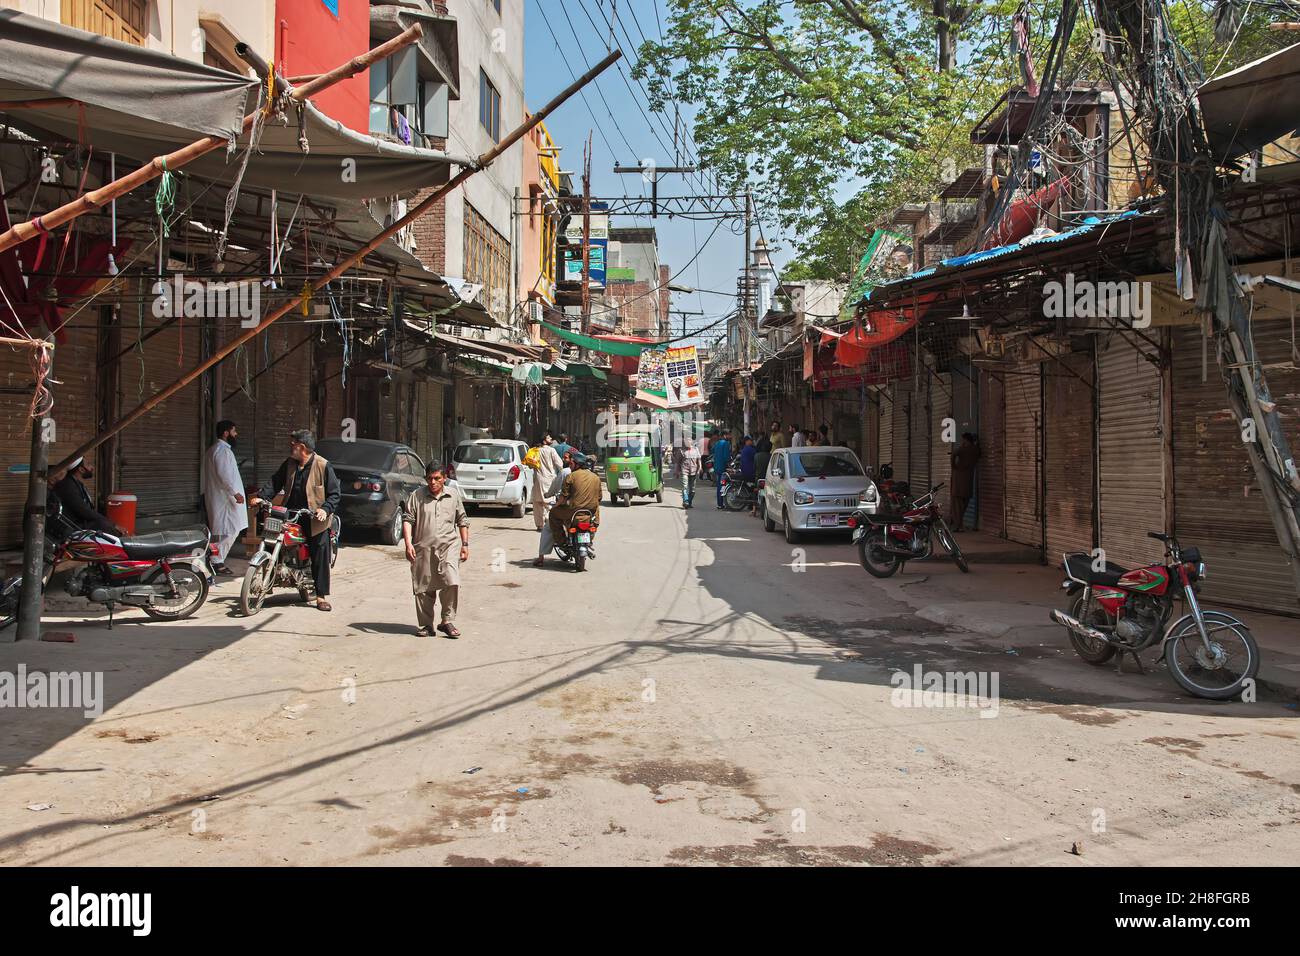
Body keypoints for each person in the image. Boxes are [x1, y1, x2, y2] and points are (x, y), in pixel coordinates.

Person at [251, 429, 340, 612]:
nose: (290, 447)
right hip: (291, 514)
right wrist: (261, 497)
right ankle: (269, 578)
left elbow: (334, 495)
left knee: (320, 550)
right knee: (271, 538)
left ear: (302, 447)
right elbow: (275, 483)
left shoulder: (323, 465)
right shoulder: (290, 464)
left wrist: (324, 509)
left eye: (293, 445)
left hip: (314, 518)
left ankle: (321, 596)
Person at [402, 461, 469, 637]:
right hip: (423, 548)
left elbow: (462, 520)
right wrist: (408, 544)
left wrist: (465, 544)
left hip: (449, 547)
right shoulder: (416, 496)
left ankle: (447, 620)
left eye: (437, 478)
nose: (433, 482)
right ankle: (426, 625)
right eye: (430, 479)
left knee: (451, 580)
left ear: (444, 478)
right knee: (424, 587)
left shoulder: (453, 495)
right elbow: (408, 519)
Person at [538, 452, 601, 568]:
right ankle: (590, 539)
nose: (570, 466)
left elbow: (563, 497)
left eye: (571, 463)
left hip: (574, 512)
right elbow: (599, 498)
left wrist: (556, 506)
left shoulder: (571, 476)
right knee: (595, 517)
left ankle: (562, 542)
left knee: (553, 514)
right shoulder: (596, 477)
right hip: (589, 513)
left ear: (577, 464)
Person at [203, 419, 248, 575]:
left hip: (220, 498)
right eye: (234, 431)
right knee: (231, 530)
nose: (236, 434)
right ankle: (217, 561)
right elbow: (224, 476)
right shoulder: (222, 451)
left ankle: (214, 558)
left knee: (223, 531)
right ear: (226, 433)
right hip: (225, 499)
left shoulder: (214, 450)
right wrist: (235, 493)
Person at [49, 456, 122, 534]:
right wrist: (112, 524)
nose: (92, 467)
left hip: (78, 523)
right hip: (70, 526)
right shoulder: (67, 485)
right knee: (104, 525)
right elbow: (83, 510)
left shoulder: (76, 483)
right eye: (88, 464)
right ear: (81, 469)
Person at [534, 451, 574, 563]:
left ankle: (541, 557)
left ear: (572, 461)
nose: (563, 459)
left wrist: (548, 494)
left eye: (566, 458)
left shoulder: (565, 472)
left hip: (565, 506)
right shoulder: (588, 474)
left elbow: (556, 488)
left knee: (548, 528)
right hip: (582, 508)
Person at [531, 432, 565, 532]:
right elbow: (560, 464)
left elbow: (530, 464)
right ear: (544, 440)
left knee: (538, 502)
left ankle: (540, 525)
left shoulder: (535, 451)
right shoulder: (551, 450)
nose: (551, 438)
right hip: (549, 480)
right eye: (549, 437)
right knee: (549, 502)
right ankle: (549, 521)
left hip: (537, 479)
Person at [951, 433, 981, 532]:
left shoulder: (963, 449)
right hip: (969, 479)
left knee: (957, 504)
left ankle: (957, 526)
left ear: (966, 440)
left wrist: (954, 466)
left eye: (963, 440)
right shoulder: (975, 449)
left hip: (959, 480)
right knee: (964, 503)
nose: (962, 442)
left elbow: (954, 454)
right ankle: (959, 525)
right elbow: (978, 455)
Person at [712, 430, 732, 509]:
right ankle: (721, 503)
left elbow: (713, 451)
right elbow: (726, 457)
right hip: (722, 467)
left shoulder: (717, 443)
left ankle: (720, 503)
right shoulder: (726, 443)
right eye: (729, 435)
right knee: (722, 485)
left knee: (719, 485)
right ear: (725, 435)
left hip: (717, 467)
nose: (730, 436)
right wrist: (729, 465)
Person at [679, 439, 701, 509]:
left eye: (689, 442)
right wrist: (677, 471)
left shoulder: (696, 449)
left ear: (691, 442)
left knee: (693, 489)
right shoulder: (681, 450)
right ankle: (685, 501)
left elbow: (699, 459)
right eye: (686, 442)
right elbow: (678, 462)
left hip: (694, 471)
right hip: (684, 470)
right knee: (685, 487)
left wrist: (700, 467)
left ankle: (689, 502)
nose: (687, 443)